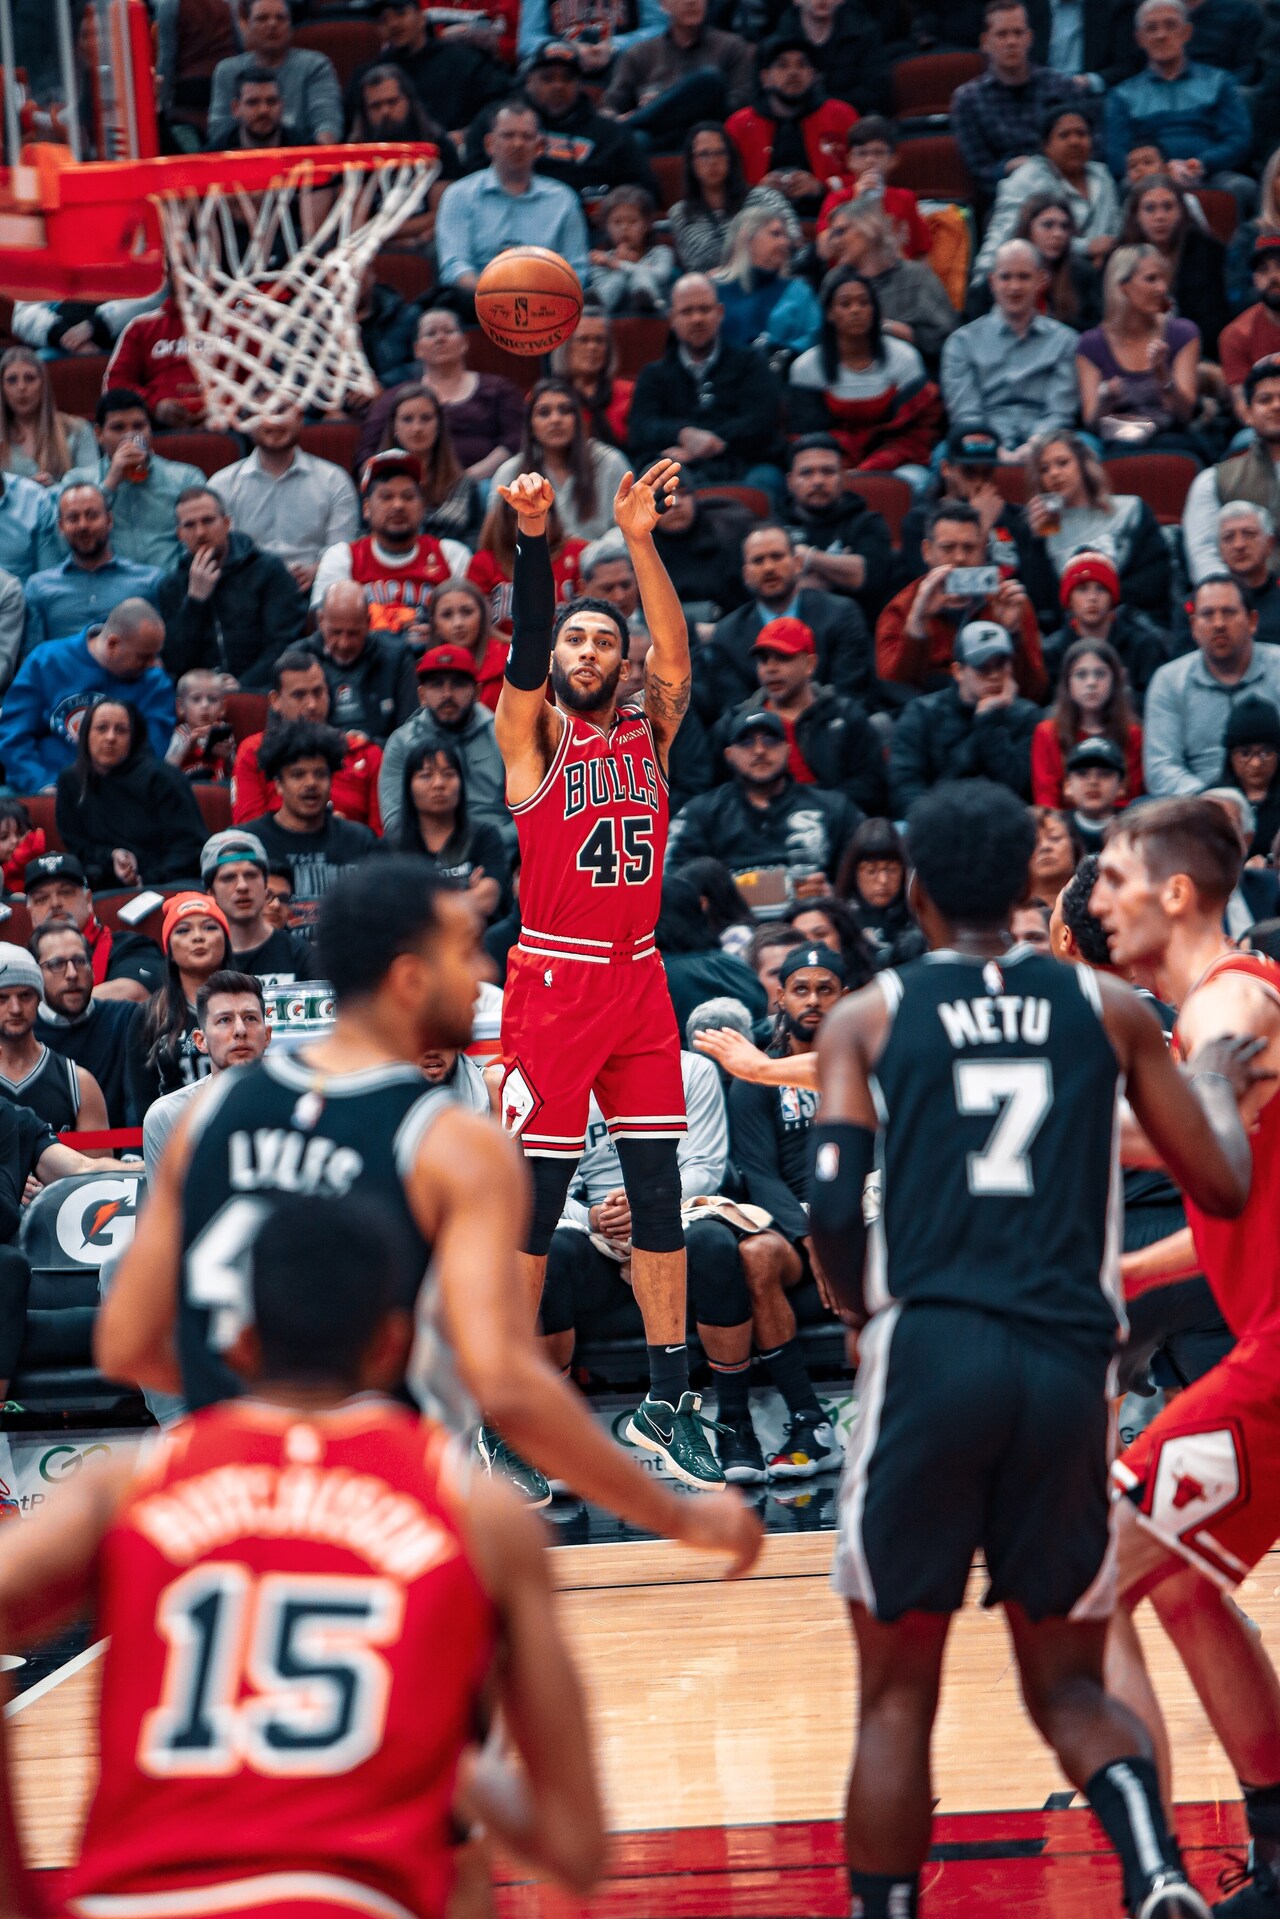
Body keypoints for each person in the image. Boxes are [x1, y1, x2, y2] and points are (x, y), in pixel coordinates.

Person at [810, 777, 1258, 1919]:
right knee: (1068, 1675)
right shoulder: (1105, 1010)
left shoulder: (868, 1014)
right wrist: (1209, 1082)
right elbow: (1220, 1178)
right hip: (1063, 1367)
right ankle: (1156, 1869)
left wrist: (860, 1316)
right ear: (1027, 886)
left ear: (912, 890)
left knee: (895, 1700)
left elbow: (829, 1211)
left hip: (930, 1351)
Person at [97, 858, 762, 1563]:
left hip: (230, 1498)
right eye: (463, 951)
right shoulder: (454, 1144)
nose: (482, 971)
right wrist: (674, 1514)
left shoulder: (202, 1118)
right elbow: (506, 1381)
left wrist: (258, 1421)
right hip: (380, 1506)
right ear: (409, 976)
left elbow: (127, 1342)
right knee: (510, 1554)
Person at [5, 1193, 608, 1919]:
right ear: (395, 1344)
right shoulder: (477, 1511)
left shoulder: (127, 1487)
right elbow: (576, 1851)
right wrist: (458, 1770)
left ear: (237, 1341)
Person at [494, 454, 737, 1494]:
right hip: (553, 981)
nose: (589, 649)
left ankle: (667, 1399)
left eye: (604, 639)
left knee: (658, 1188)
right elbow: (524, 645)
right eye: (575, 639)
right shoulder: (529, 734)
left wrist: (637, 540)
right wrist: (535, 540)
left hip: (637, 978)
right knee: (537, 1198)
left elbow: (674, 650)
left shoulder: (650, 731)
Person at [1090, 799, 1280, 1910]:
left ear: (1174, 891)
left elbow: (1199, 1124)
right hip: (1267, 1348)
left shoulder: (1228, 999)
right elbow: (1225, 1189)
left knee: (1084, 1584)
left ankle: (1150, 1881)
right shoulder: (1210, 1015)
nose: (1097, 899)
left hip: (1275, 1363)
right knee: (1179, 1584)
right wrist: (1125, 1272)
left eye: (1113, 877)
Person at [710, 615, 887, 815]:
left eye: (783, 657)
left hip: (834, 822)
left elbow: (870, 786)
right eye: (764, 659)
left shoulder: (846, 716)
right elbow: (715, 792)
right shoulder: (733, 724)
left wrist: (811, 807)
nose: (771, 668)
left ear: (810, 664)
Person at [697, 522, 877, 716]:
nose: (769, 568)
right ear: (746, 575)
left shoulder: (841, 615)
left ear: (797, 564)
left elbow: (849, 696)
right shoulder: (726, 635)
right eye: (758, 561)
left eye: (777, 557)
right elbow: (735, 713)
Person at [668, 706, 862, 885]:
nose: (760, 750)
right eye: (746, 742)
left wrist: (834, 896)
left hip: (814, 909)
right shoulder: (699, 815)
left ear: (787, 750)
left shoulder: (835, 809)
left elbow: (866, 873)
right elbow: (672, 879)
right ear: (729, 755)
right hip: (728, 910)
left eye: (770, 740)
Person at [875, 501, 1047, 702]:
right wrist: (917, 624)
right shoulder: (903, 608)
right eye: (948, 548)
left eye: (969, 547)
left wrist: (1012, 633)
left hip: (1000, 708)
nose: (959, 557)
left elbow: (1035, 692)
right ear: (927, 551)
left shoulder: (1008, 601)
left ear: (984, 550)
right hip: (931, 713)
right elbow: (892, 692)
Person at [0, 597, 172, 794]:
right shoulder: (47, 661)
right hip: (48, 789)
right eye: (144, 657)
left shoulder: (155, 683)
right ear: (112, 644)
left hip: (120, 795)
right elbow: (14, 737)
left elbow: (151, 753)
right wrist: (42, 785)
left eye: (155, 655)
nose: (153, 664)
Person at [433, 103, 590, 315]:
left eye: (527, 137)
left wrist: (536, 300)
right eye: (508, 136)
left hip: (547, 309)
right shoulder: (459, 195)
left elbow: (577, 270)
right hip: (478, 305)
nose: (518, 144)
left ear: (539, 146)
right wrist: (498, 295)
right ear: (490, 144)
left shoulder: (563, 199)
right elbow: (455, 267)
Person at [628, 273, 783, 486]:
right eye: (687, 311)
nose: (697, 319)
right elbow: (641, 428)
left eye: (704, 309)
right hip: (680, 470)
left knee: (767, 479)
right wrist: (683, 434)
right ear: (671, 319)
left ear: (720, 313)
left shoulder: (751, 362)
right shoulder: (653, 375)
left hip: (746, 463)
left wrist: (703, 444)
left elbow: (761, 421)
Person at [788, 270, 940, 478]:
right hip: (828, 467)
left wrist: (867, 470)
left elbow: (917, 433)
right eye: (845, 304)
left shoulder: (905, 358)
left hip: (897, 462)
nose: (855, 310)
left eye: (864, 303)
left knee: (914, 480)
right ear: (830, 313)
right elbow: (806, 435)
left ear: (876, 311)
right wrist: (841, 470)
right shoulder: (807, 367)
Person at [940, 241, 1080, 464]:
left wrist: (1034, 446)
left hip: (1047, 441)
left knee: (1087, 448)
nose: (1014, 287)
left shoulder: (1065, 341)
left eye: (1024, 277)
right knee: (943, 456)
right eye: (1005, 277)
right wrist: (993, 448)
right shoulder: (961, 343)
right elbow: (966, 414)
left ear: (1040, 280)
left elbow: (1059, 411)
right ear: (992, 281)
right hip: (981, 440)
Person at [156, 484, 306, 690]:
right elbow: (174, 661)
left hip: (261, 690)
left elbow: (285, 643)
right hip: (200, 697)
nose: (200, 532)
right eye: (190, 525)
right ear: (180, 534)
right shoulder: (171, 587)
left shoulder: (268, 570)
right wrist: (195, 601)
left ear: (227, 523)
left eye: (208, 521)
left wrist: (243, 686)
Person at [1104, 0, 1253, 205]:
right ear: (1139, 38)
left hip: (1210, 173)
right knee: (1125, 188)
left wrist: (1200, 164)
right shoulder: (1123, 95)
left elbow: (1238, 140)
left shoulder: (1219, 82)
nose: (1161, 35)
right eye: (1151, 28)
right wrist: (1159, 170)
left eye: (1170, 25)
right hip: (1148, 177)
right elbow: (1117, 154)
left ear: (1187, 32)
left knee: (1241, 187)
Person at [239, 723, 381, 936]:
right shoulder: (248, 843)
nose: (311, 783)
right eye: (298, 775)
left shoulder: (360, 840)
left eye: (320, 774)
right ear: (278, 784)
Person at [205, 405, 360, 597]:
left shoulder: (334, 480)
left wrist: (317, 570)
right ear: (248, 421)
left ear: (300, 417)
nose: (273, 422)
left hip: (316, 591)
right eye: (263, 410)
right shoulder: (222, 484)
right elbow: (220, 551)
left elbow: (342, 549)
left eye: (282, 410)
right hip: (244, 592)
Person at [889, 619, 1042, 814]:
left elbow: (1020, 788)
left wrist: (989, 724)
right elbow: (905, 786)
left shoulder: (1027, 716)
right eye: (983, 667)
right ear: (958, 671)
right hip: (937, 820)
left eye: (1001, 664)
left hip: (1003, 821)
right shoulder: (921, 713)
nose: (994, 675)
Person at [1145, 574, 1280, 792]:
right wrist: (1212, 800)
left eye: (1229, 612)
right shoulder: (1169, 681)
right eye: (1208, 614)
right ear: (1193, 626)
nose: (1219, 624)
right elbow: (1160, 767)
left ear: (1252, 621)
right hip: (1197, 803)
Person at [358, 309, 525, 483]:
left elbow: (515, 441)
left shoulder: (499, 389)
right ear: (417, 349)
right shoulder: (395, 397)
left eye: (449, 331)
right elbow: (367, 454)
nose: (440, 338)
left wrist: (465, 480)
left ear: (464, 342)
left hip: (485, 483)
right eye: (431, 333)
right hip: (412, 486)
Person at [55, 699, 206, 891]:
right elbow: (78, 848)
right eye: (101, 728)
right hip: (101, 885)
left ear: (133, 736)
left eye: (121, 730)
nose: (110, 737)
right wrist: (112, 855)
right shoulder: (71, 781)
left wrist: (147, 881)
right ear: (85, 734)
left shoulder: (164, 779)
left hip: (167, 882)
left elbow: (189, 848)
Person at [312, 452, 468, 633]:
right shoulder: (342, 557)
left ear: (422, 507)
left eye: (408, 497)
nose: (398, 505)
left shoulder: (451, 554)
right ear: (366, 509)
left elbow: (473, 625)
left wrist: (437, 634)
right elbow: (325, 629)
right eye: (386, 497)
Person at [232, 649, 383, 834]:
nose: (312, 705)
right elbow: (248, 834)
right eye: (299, 695)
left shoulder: (366, 753)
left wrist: (345, 836)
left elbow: (381, 838)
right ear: (275, 700)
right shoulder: (253, 752)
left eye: (318, 692)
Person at [1024, 428, 1171, 618]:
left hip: (1131, 621)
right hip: (1071, 629)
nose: (1054, 473)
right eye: (1044, 469)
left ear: (1083, 464)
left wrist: (1106, 603)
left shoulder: (1131, 510)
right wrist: (1036, 544)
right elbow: (1043, 608)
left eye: (1063, 463)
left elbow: (1156, 578)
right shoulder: (1043, 531)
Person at [141, 968, 271, 1175]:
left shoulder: (301, 1107)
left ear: (267, 1036)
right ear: (201, 1041)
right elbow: (165, 1197)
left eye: (250, 1018)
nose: (240, 1030)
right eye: (225, 1020)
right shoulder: (168, 1116)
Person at [1076, 243, 1202, 457]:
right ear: (1122, 285)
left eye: (1163, 279)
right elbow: (1091, 422)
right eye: (1151, 279)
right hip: (1115, 441)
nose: (1162, 288)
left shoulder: (1183, 333)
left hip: (1169, 438)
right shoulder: (1091, 344)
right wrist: (1105, 399)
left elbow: (1185, 415)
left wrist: (1163, 374)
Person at [380, 643, 511, 847]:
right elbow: (395, 821)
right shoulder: (402, 742)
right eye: (437, 684)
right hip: (427, 856)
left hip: (500, 850)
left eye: (458, 684)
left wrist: (487, 846)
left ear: (477, 691)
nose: (447, 694)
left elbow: (529, 813)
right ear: (422, 695)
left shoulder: (504, 736)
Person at [951, 0, 1082, 202]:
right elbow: (979, 171)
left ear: (1029, 38)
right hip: (1003, 197)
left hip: (1064, 190)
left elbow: (1086, 149)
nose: (1011, 42)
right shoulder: (968, 100)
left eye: (1018, 33)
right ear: (985, 42)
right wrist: (1007, 168)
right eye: (1002, 34)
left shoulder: (1062, 87)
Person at [61, 390, 205, 571]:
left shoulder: (186, 478)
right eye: (118, 428)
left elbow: (200, 537)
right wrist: (110, 483)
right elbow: (64, 542)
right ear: (99, 434)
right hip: (107, 582)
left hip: (171, 581)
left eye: (138, 426)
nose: (130, 437)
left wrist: (177, 577)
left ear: (150, 429)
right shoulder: (77, 482)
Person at [973, 104, 1121, 278]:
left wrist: (1104, 252)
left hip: (1102, 270)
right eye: (1064, 135)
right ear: (1046, 146)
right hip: (1042, 273)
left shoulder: (1102, 176)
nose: (1074, 142)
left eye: (1082, 134)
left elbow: (1114, 228)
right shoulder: (1026, 178)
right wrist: (1086, 247)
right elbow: (1007, 233)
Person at [725, 36, 858, 217]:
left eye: (802, 65)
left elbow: (867, 174)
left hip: (833, 217)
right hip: (756, 219)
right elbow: (722, 185)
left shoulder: (842, 116)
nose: (793, 72)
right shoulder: (739, 124)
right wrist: (756, 190)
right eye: (782, 65)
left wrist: (822, 186)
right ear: (765, 78)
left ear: (813, 75)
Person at [507, 40, 656, 201]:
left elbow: (645, 191)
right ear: (529, 82)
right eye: (547, 78)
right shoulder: (506, 127)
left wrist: (616, 205)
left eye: (568, 78)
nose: (558, 86)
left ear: (580, 84)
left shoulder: (611, 134)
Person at [22, 482, 162, 652]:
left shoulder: (150, 582)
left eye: (92, 515)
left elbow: (160, 652)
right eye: (73, 518)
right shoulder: (39, 587)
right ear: (61, 527)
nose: (83, 525)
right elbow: (33, 657)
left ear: (109, 520)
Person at [815, 201, 959, 361]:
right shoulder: (834, 280)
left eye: (841, 232)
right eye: (832, 235)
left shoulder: (916, 277)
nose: (834, 242)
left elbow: (947, 338)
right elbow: (820, 336)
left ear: (869, 228)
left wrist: (891, 328)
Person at [494, 383, 629, 548]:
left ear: (579, 419)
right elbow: (497, 536)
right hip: (535, 559)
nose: (556, 420)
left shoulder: (610, 463)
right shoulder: (510, 472)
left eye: (565, 410)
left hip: (601, 560)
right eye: (544, 412)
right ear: (530, 425)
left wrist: (586, 552)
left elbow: (628, 528)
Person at [605, 0, 757, 147]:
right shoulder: (639, 53)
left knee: (709, 80)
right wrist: (614, 116)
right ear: (663, 4)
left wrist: (669, 104)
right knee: (636, 139)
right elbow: (611, 106)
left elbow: (741, 102)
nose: (690, 1)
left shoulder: (731, 46)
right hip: (660, 136)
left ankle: (634, 121)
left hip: (712, 134)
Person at [1183, 356, 1280, 581]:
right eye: (1265, 399)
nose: (1277, 406)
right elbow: (1204, 554)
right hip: (1243, 596)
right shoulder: (1214, 481)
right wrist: (1226, 592)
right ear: (1247, 413)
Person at [0, 939, 108, 1137]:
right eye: (2, 998)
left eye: (25, 996)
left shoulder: (78, 1083)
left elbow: (97, 1157)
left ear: (39, 999)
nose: (15, 1009)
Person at [395, 738, 511, 920]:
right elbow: (393, 910)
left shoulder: (484, 835)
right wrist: (464, 893)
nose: (439, 784)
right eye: (426, 775)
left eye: (448, 774)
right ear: (408, 786)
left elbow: (488, 899)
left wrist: (420, 905)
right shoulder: (393, 846)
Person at [352, 0, 508, 134]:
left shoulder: (463, 61)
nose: (393, 24)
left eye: (400, 13)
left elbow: (498, 103)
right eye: (383, 20)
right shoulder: (370, 76)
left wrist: (470, 134)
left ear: (421, 17)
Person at [25, 852, 163, 1001]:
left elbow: (134, 992)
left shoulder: (130, 946)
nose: (55, 903)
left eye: (66, 893)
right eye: (41, 899)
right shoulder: (22, 962)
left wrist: (42, 1007)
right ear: (30, 912)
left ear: (88, 901)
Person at [783, 434, 894, 619]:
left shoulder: (868, 522)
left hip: (857, 626)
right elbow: (772, 588)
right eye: (806, 473)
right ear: (790, 481)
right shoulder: (776, 527)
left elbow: (867, 578)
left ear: (843, 477)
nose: (818, 481)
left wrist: (807, 557)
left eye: (828, 471)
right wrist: (838, 570)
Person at [1120, 169, 1230, 354]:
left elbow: (1215, 319)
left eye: (1168, 207)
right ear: (1136, 215)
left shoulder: (1209, 252)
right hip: (1135, 351)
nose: (1160, 217)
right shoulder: (1120, 257)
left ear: (1182, 212)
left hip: (1200, 350)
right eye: (1150, 208)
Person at [138, 891, 232, 1100]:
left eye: (209, 927)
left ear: (226, 941)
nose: (198, 936)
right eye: (183, 930)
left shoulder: (252, 1004)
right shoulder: (148, 1014)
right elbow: (140, 1100)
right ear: (169, 948)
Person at [208, 0, 342, 144]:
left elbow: (327, 123)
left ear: (290, 25)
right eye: (262, 18)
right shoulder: (227, 70)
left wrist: (320, 153)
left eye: (280, 18)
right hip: (241, 153)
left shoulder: (315, 66)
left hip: (300, 153)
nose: (272, 24)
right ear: (247, 26)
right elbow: (219, 129)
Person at [968, 193, 1107, 331]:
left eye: (1064, 227)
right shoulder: (1003, 272)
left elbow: (1095, 326)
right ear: (1028, 228)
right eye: (1048, 225)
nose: (1058, 234)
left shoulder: (1083, 275)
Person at [1032, 636, 1144, 805]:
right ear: (1068, 683)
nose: (1091, 683)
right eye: (1081, 675)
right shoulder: (1047, 733)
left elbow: (1135, 802)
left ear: (1114, 681)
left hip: (1121, 819)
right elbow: (1047, 803)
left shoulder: (1133, 734)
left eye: (1100, 674)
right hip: (1063, 821)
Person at [304, 580, 414, 746]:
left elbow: (410, 734)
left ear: (368, 622)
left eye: (353, 633)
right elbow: (283, 736)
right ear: (320, 620)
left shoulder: (396, 656)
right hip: (317, 757)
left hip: (382, 757)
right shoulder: (299, 659)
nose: (344, 643)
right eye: (336, 632)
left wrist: (366, 749)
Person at [376, 384, 484, 550]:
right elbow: (364, 535)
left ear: (439, 425)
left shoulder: (465, 484)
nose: (417, 428)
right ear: (394, 426)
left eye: (426, 418)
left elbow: (475, 541)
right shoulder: (376, 477)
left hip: (451, 563)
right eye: (407, 419)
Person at [1054, 547, 1173, 696]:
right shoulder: (1053, 653)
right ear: (1069, 599)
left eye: (1101, 589)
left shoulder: (1144, 647)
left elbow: (1157, 700)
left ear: (1112, 598)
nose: (1092, 597)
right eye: (1082, 589)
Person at [467, 491, 586, 637]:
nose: (534, 521)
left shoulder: (578, 553)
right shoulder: (484, 562)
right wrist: (520, 646)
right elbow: (477, 623)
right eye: (521, 515)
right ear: (506, 522)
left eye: (541, 513)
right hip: (503, 647)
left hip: (570, 645)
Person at [200, 829, 312, 982]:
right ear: (211, 893)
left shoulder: (302, 956)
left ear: (265, 885)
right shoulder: (198, 960)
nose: (242, 886)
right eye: (229, 877)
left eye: (251, 875)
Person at [713, 207, 821, 355]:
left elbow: (815, 338)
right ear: (747, 238)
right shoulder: (715, 291)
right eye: (775, 234)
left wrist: (786, 352)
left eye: (785, 236)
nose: (785, 242)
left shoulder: (799, 290)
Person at [103, 295, 208, 428]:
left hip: (227, 423)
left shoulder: (233, 324)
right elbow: (116, 385)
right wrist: (154, 405)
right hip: (157, 426)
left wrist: (224, 406)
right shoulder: (141, 326)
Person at [666, 122, 756, 275]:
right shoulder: (680, 213)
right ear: (691, 162)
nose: (713, 161)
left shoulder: (763, 198)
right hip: (710, 286)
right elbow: (693, 266)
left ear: (730, 157)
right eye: (704, 154)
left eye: (720, 152)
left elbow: (790, 249)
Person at [770, 0, 889, 114]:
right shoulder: (777, 44)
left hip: (851, 118)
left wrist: (827, 106)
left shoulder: (864, 34)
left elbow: (875, 90)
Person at [835, 817, 925, 968]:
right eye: (871, 871)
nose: (883, 880)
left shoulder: (920, 917)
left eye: (892, 869)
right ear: (853, 873)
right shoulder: (840, 920)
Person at [0, 346, 94, 484]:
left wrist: (55, 489)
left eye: (30, 378)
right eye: (12, 380)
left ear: (44, 384)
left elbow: (92, 488)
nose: (21, 387)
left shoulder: (78, 429)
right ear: (2, 388)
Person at [549, 304, 634, 450]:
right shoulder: (546, 398)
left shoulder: (631, 392)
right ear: (565, 347)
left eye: (599, 340)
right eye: (583, 340)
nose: (592, 347)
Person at [422, 578, 507, 712]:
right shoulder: (424, 670)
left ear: (482, 616)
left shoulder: (510, 661)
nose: (458, 623)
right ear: (435, 624)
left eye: (467, 612)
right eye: (447, 615)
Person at [1220, 233, 1280, 416]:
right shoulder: (1236, 335)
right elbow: (1243, 409)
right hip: (1265, 425)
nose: (1273, 276)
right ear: (1254, 279)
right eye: (1263, 270)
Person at [1219, 692, 1280, 853]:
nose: (1256, 763)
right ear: (1231, 756)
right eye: (1245, 754)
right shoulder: (1215, 802)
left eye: (1266, 753)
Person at [1213, 499, 1280, 641]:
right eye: (1229, 537)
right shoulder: (1203, 604)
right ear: (1219, 551)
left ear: (1270, 544)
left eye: (1249, 534)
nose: (1239, 545)